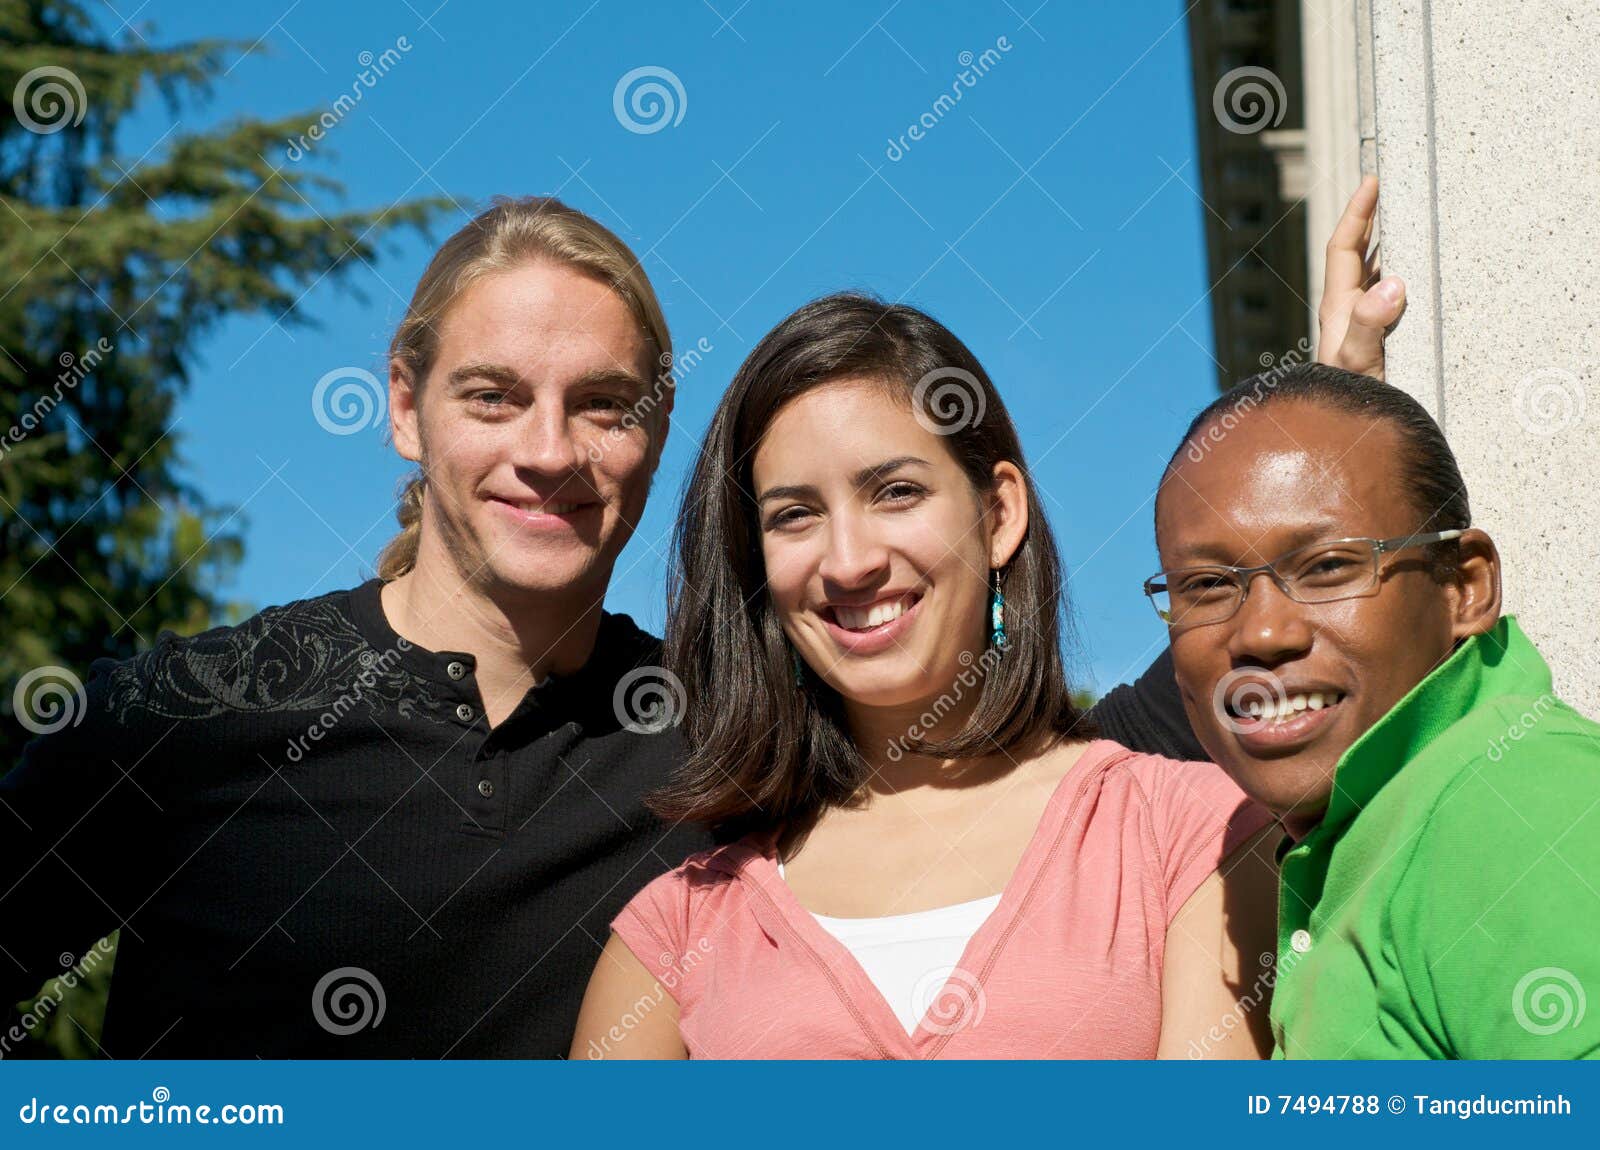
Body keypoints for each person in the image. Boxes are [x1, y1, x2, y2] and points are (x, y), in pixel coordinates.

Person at [0, 197, 715, 1057]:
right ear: (407, 407)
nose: (550, 451)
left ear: (660, 428)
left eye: (604, 404)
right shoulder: (184, 718)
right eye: (493, 397)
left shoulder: (727, 744)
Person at [571, 292, 1284, 1059]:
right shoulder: (673, 933)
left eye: (896, 492)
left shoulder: (1196, 836)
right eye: (794, 515)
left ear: (999, 514)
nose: (849, 561)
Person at [1149, 362, 1600, 1059]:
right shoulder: (1370, 834)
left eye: (1328, 566)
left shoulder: (1520, 805)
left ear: (1465, 588)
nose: (1263, 634)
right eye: (1206, 586)